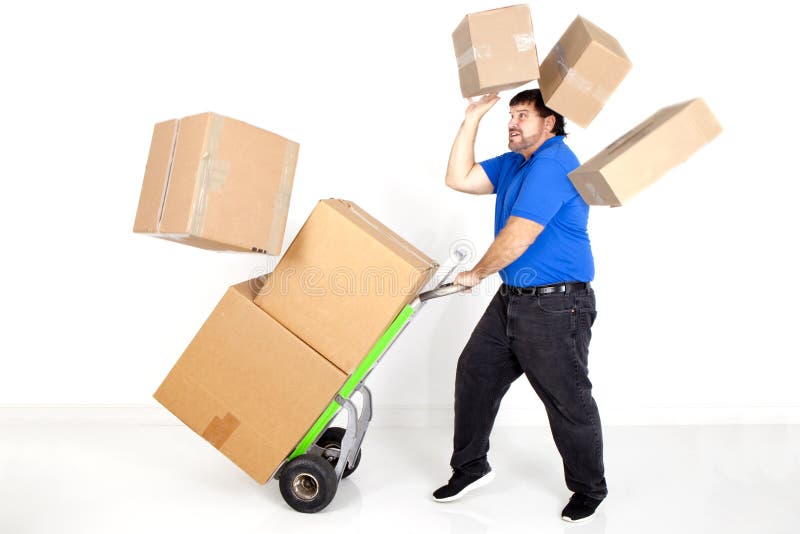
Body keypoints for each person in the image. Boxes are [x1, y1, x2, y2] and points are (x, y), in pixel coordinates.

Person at [432, 89, 607, 523]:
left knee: (567, 399)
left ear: (549, 123)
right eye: (510, 115)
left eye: (523, 115)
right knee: (474, 372)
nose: (512, 122)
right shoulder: (516, 163)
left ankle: (590, 488)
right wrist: (472, 117)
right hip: (512, 299)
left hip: (557, 306)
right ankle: (470, 467)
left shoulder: (553, 163)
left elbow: (520, 233)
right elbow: (459, 178)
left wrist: (478, 271)